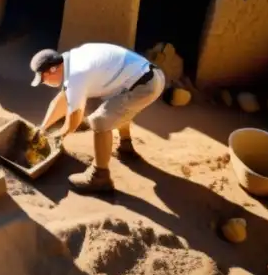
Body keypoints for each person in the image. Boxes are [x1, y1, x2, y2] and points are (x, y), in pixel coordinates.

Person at [30, 43, 166, 191]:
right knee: (116, 105)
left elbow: (74, 119)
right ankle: (126, 145)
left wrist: (59, 136)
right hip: (149, 76)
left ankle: (99, 177)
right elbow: (63, 100)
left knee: (99, 120)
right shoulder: (73, 59)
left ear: (53, 69)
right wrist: (43, 127)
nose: (45, 83)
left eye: (44, 79)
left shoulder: (76, 75)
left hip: (145, 86)